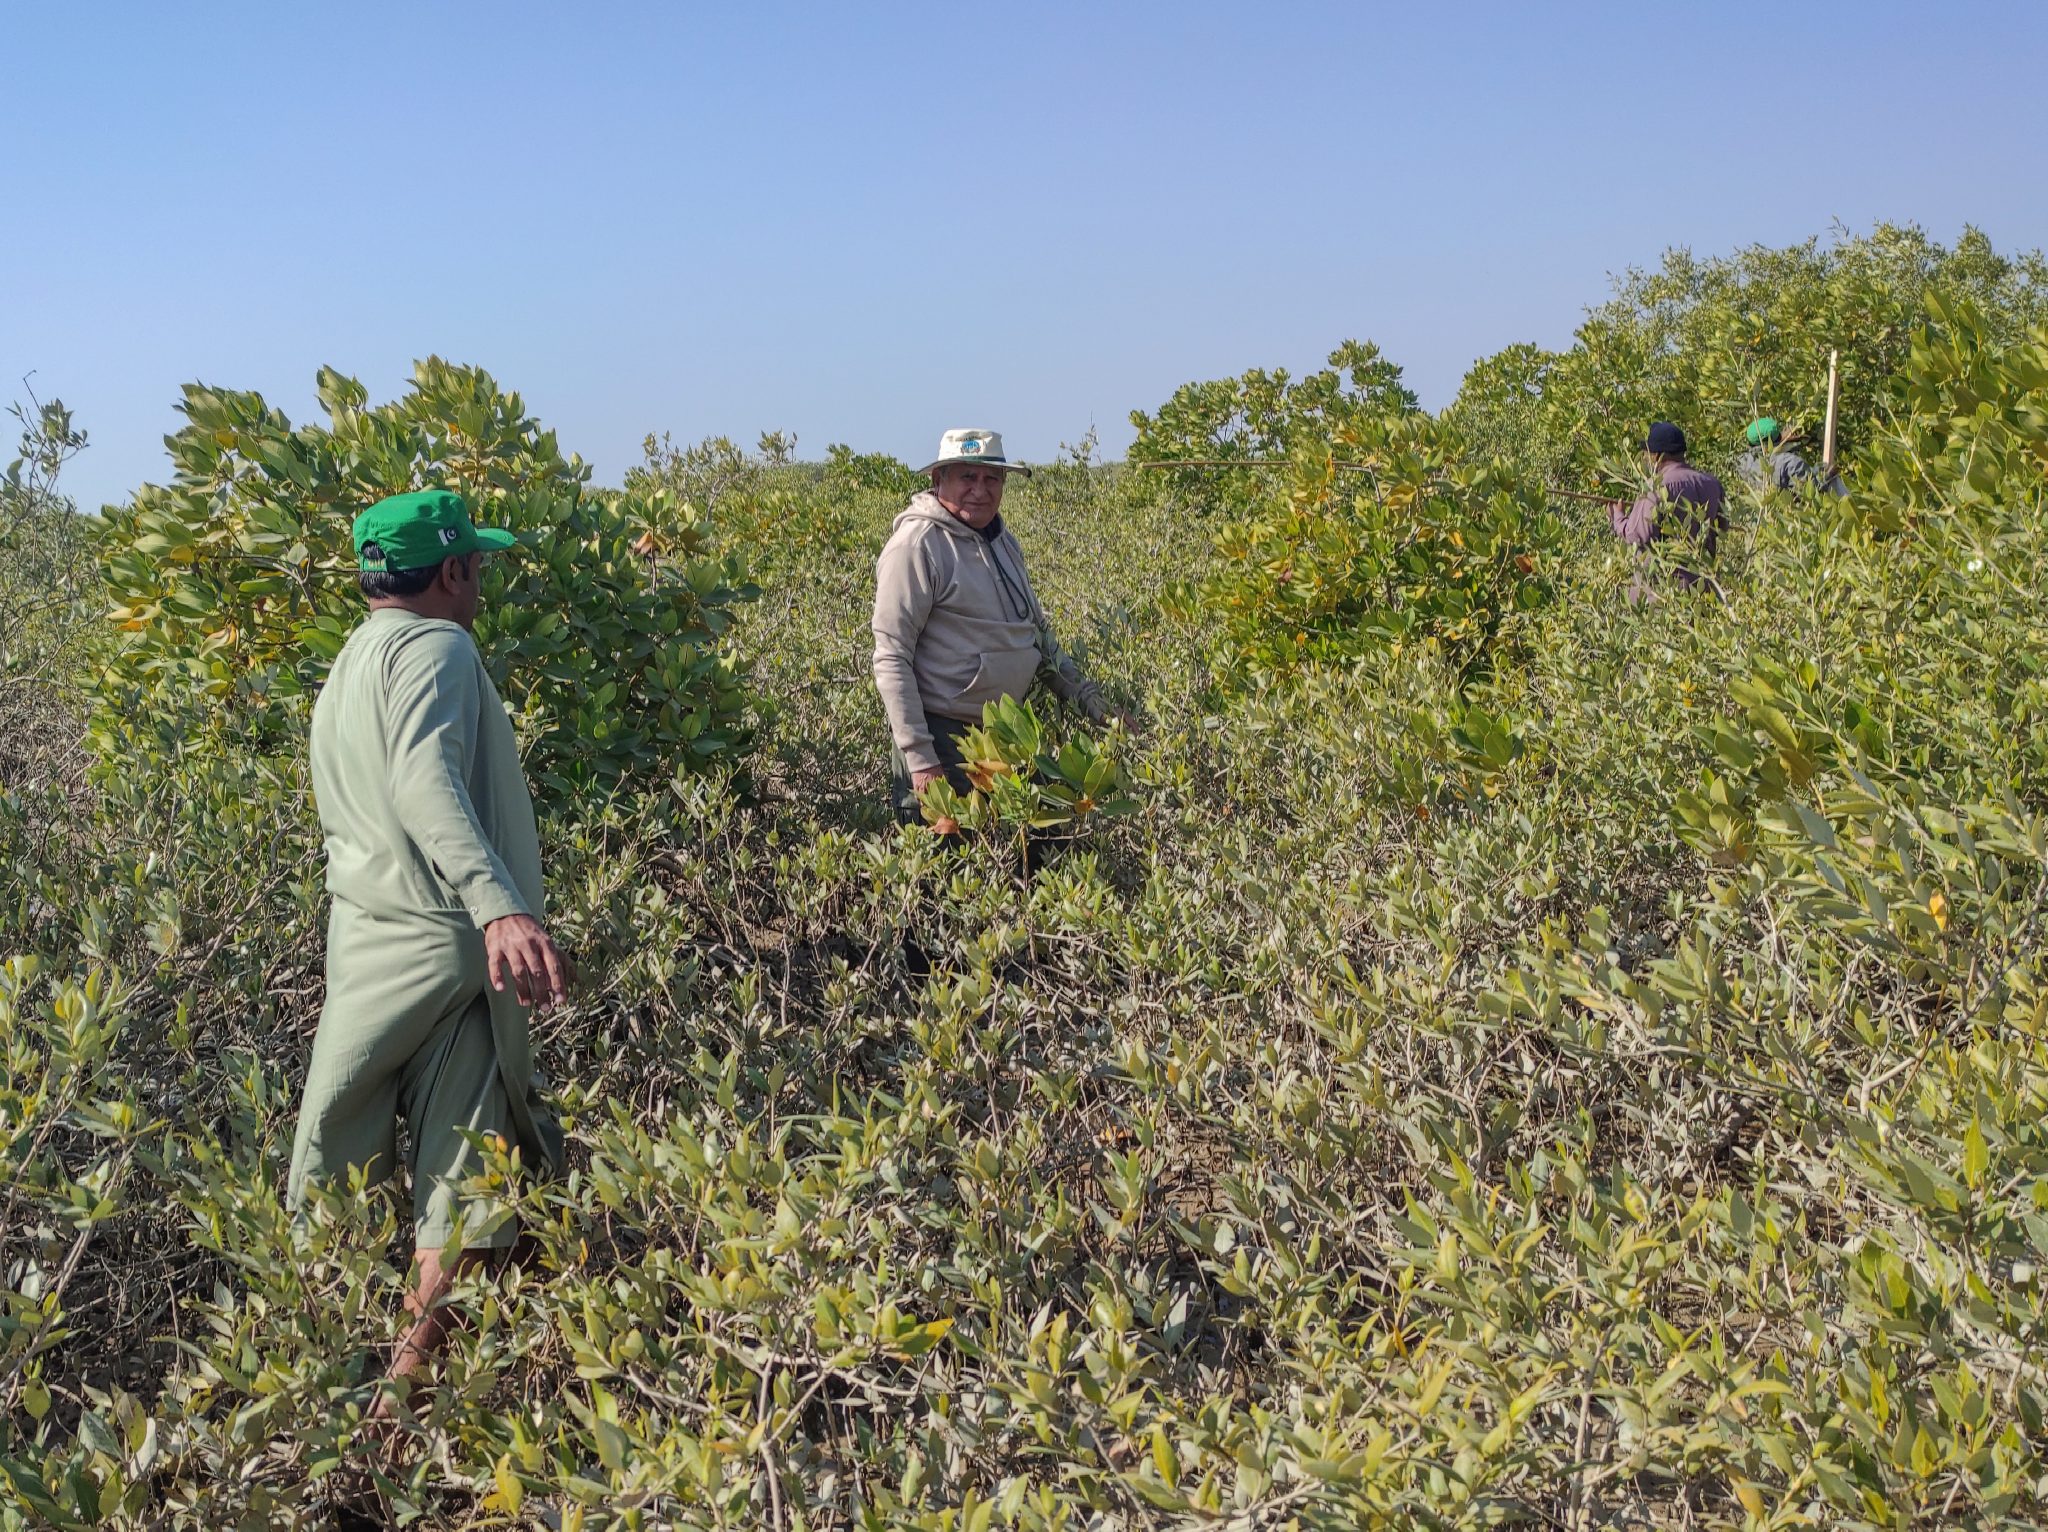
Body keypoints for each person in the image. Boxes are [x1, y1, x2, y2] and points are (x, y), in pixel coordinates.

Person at [287, 488, 569, 1406]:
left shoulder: (345, 667)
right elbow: (422, 783)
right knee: (462, 1182)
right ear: (451, 571)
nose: (479, 580)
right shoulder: (440, 645)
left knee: (334, 1183)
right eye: (475, 565)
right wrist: (499, 907)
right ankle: (398, 1417)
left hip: (363, 956)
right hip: (449, 950)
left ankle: (324, 1403)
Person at [872, 428, 1114, 824]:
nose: (980, 490)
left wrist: (1094, 705)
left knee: (1028, 864)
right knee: (948, 875)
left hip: (1006, 736)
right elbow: (891, 657)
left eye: (991, 479)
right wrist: (922, 763)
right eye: (967, 477)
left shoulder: (1002, 540)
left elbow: (1038, 638)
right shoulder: (917, 546)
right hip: (942, 740)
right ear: (939, 480)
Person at [1609, 422, 1727, 602]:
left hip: (1663, 592)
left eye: (1647, 454)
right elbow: (1722, 527)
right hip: (1704, 589)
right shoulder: (1712, 483)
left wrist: (1618, 517)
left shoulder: (1658, 486)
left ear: (1656, 455)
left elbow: (1638, 534)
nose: (1646, 459)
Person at [1737, 416, 1845, 496]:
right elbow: (1809, 492)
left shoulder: (1741, 461)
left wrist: (1785, 440)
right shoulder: (1790, 463)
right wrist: (1828, 476)